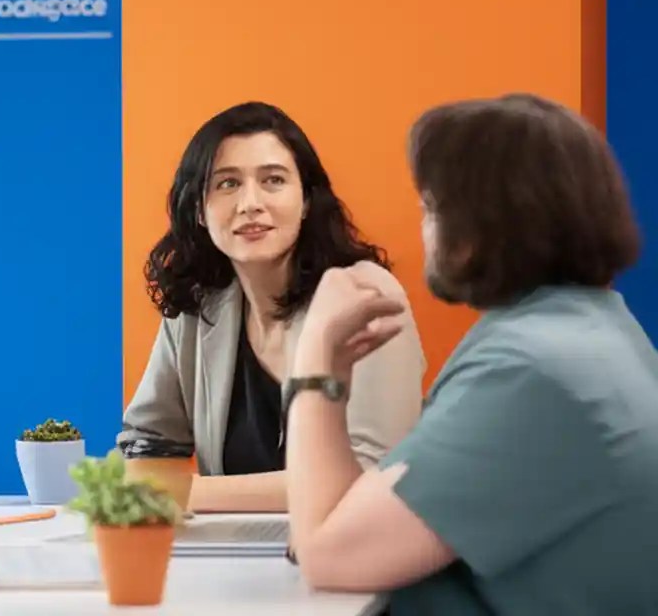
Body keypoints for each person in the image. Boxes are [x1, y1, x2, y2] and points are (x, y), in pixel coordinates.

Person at [285, 94, 657, 614]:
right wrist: (331, 375)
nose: (424, 226)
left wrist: (312, 360)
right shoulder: (589, 333)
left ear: (475, 230)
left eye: (430, 208)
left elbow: (326, 556)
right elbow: (360, 517)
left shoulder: (529, 372)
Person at [119, 101, 424, 512]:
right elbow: (145, 446)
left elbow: (368, 472)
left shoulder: (365, 296)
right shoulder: (196, 305)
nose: (250, 203)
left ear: (307, 201)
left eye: (273, 180)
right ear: (199, 211)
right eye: (227, 184)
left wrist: (183, 494)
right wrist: (147, 483)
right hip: (233, 556)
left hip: (354, 557)